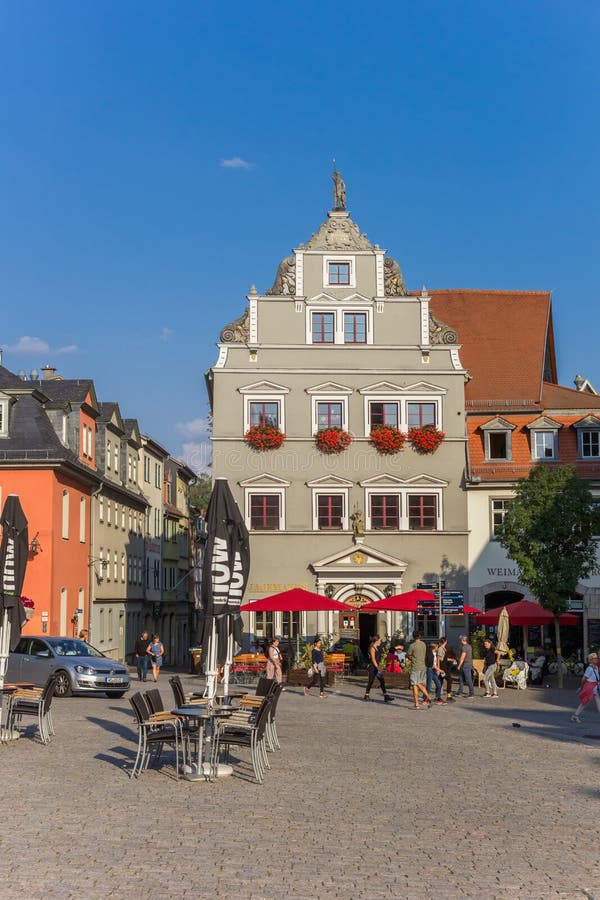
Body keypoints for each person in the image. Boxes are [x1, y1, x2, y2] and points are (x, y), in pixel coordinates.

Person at [571, 652, 600, 723]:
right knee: (585, 702)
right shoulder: (589, 668)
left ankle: (575, 716)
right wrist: (583, 686)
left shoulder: (596, 667)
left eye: (597, 658)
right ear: (591, 660)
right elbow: (584, 678)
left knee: (596, 701)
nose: (597, 659)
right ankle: (575, 716)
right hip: (590, 686)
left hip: (595, 686)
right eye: (595, 658)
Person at [364, 636, 393, 703]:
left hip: (376, 667)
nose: (380, 642)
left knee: (382, 681)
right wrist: (378, 667)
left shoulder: (377, 648)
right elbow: (373, 659)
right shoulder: (372, 648)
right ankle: (366, 695)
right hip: (372, 667)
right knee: (371, 681)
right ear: (376, 641)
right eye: (379, 640)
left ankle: (386, 696)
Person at [407, 631, 431, 709]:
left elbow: (408, 654)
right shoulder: (423, 644)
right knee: (419, 683)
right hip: (423, 667)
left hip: (415, 667)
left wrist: (410, 657)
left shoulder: (412, 646)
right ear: (420, 636)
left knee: (415, 685)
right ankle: (427, 697)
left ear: (413, 636)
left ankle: (417, 704)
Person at [426, 640, 446, 705]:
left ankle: (438, 697)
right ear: (435, 647)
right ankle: (425, 698)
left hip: (434, 670)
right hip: (430, 670)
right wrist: (439, 670)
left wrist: (437, 670)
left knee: (438, 684)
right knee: (429, 685)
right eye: (437, 646)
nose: (438, 647)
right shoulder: (430, 654)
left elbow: (436, 662)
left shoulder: (435, 653)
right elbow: (432, 665)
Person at [437, 636, 456, 701]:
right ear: (445, 641)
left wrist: (450, 659)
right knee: (449, 680)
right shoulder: (440, 649)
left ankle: (438, 696)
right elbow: (439, 659)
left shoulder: (443, 648)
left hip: (445, 666)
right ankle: (448, 696)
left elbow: (443, 658)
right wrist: (439, 669)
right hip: (443, 667)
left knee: (440, 681)